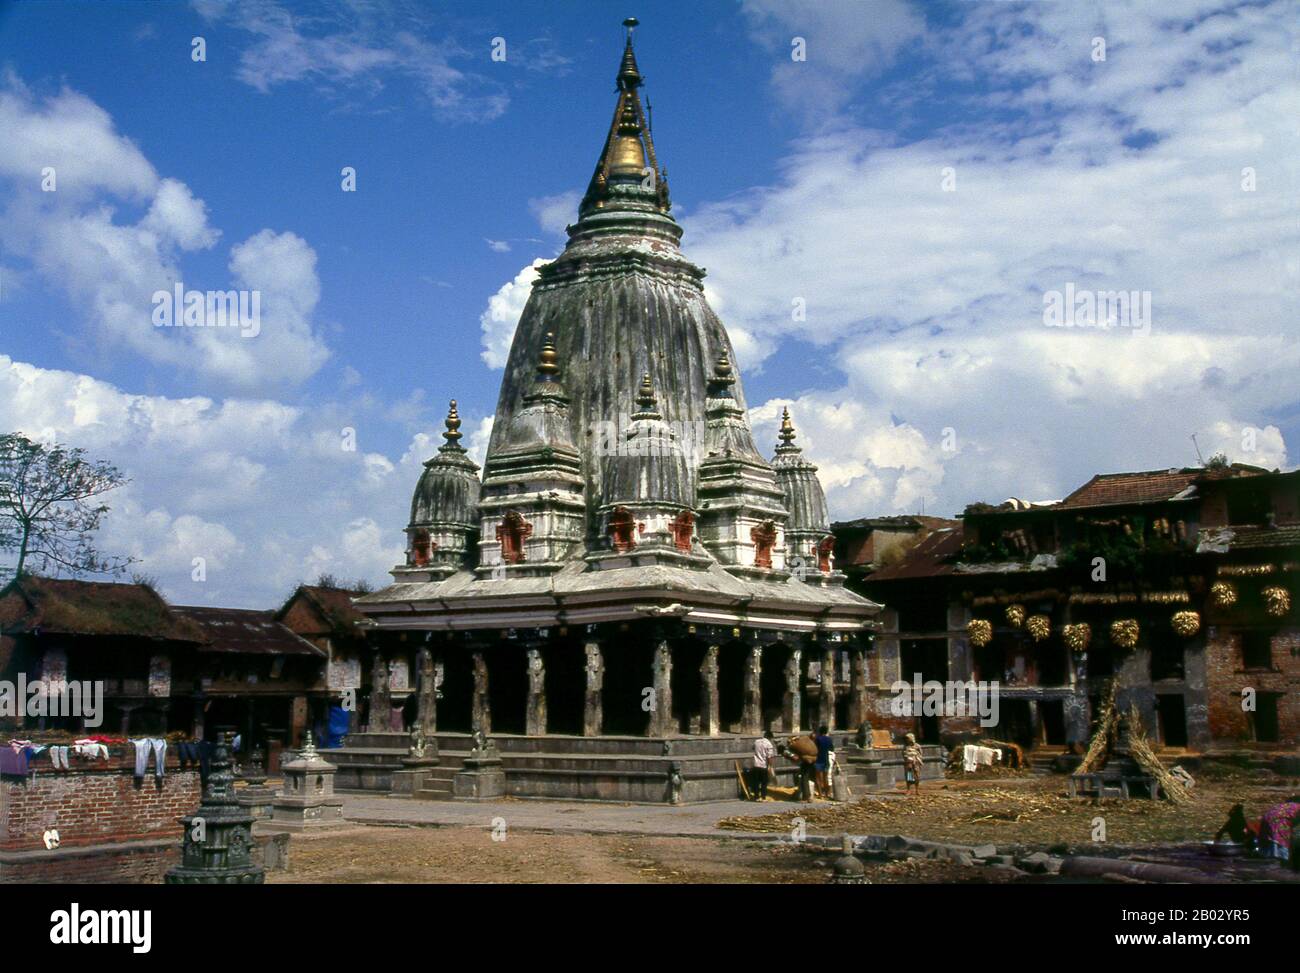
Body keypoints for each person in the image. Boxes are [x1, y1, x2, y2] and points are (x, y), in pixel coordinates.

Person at [786, 731, 819, 802]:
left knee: (804, 778)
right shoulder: (807, 742)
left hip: (806, 762)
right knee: (805, 778)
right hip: (810, 761)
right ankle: (809, 796)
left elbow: (794, 754)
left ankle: (806, 797)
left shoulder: (798, 744)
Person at [751, 731, 777, 800]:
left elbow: (753, 748)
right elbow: (769, 756)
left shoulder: (756, 741)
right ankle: (763, 797)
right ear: (770, 737)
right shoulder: (769, 744)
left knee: (756, 782)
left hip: (756, 764)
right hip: (763, 765)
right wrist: (770, 766)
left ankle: (756, 797)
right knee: (764, 782)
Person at [813, 725, 834, 799]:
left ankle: (820, 794)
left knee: (818, 778)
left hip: (818, 759)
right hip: (826, 759)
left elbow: (814, 749)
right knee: (825, 777)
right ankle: (827, 793)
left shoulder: (818, 739)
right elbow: (831, 749)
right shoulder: (829, 739)